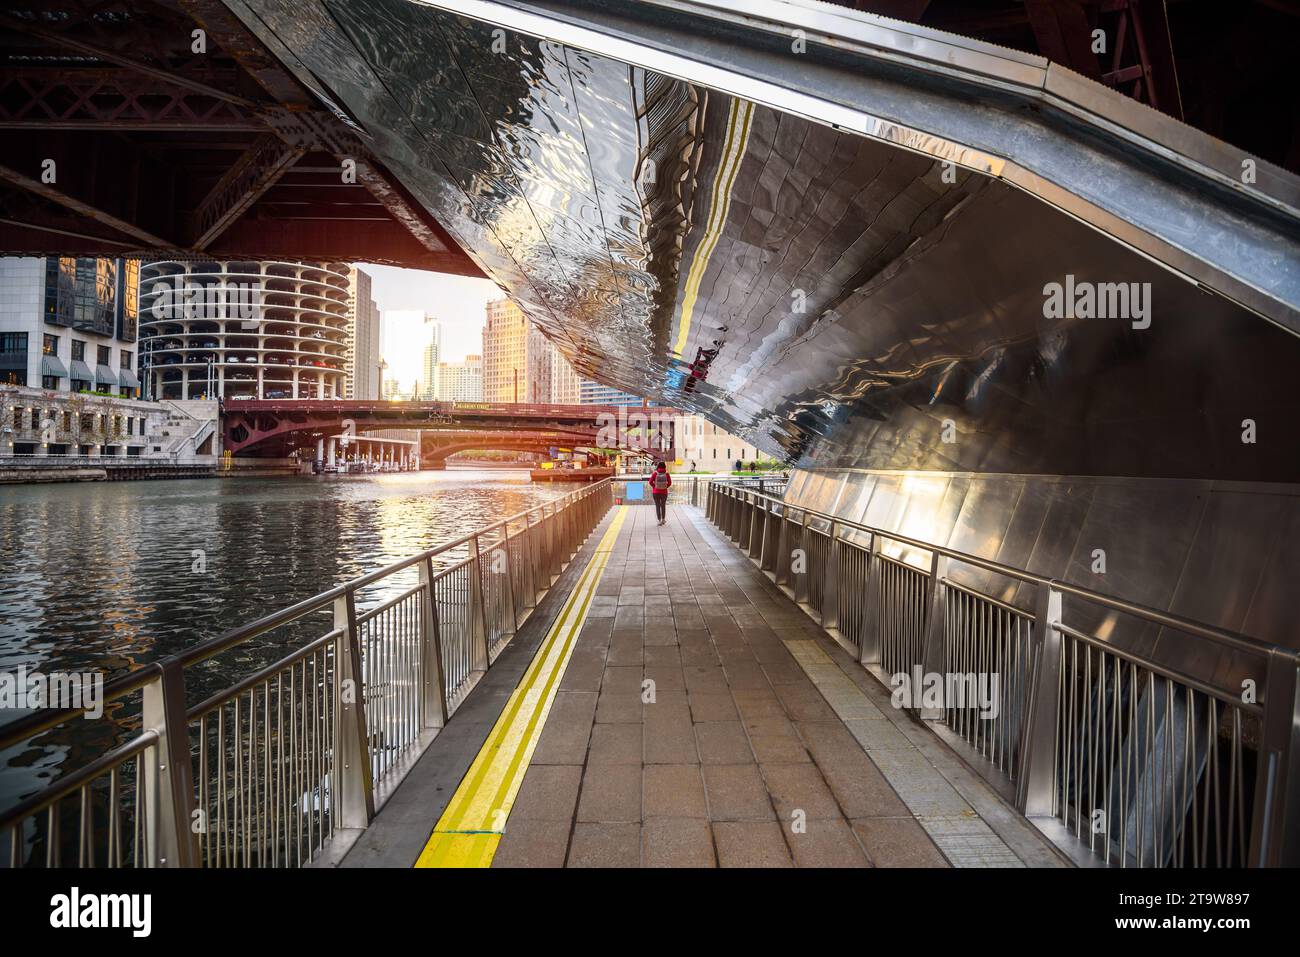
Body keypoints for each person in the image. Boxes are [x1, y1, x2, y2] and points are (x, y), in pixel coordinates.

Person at [649, 461, 671, 525]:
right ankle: (663, 519)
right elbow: (669, 483)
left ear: (658, 466)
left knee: (657, 506)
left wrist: (655, 486)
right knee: (663, 505)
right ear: (665, 466)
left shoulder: (655, 473)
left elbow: (650, 482)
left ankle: (659, 520)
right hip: (664, 492)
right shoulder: (667, 474)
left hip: (656, 492)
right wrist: (665, 487)